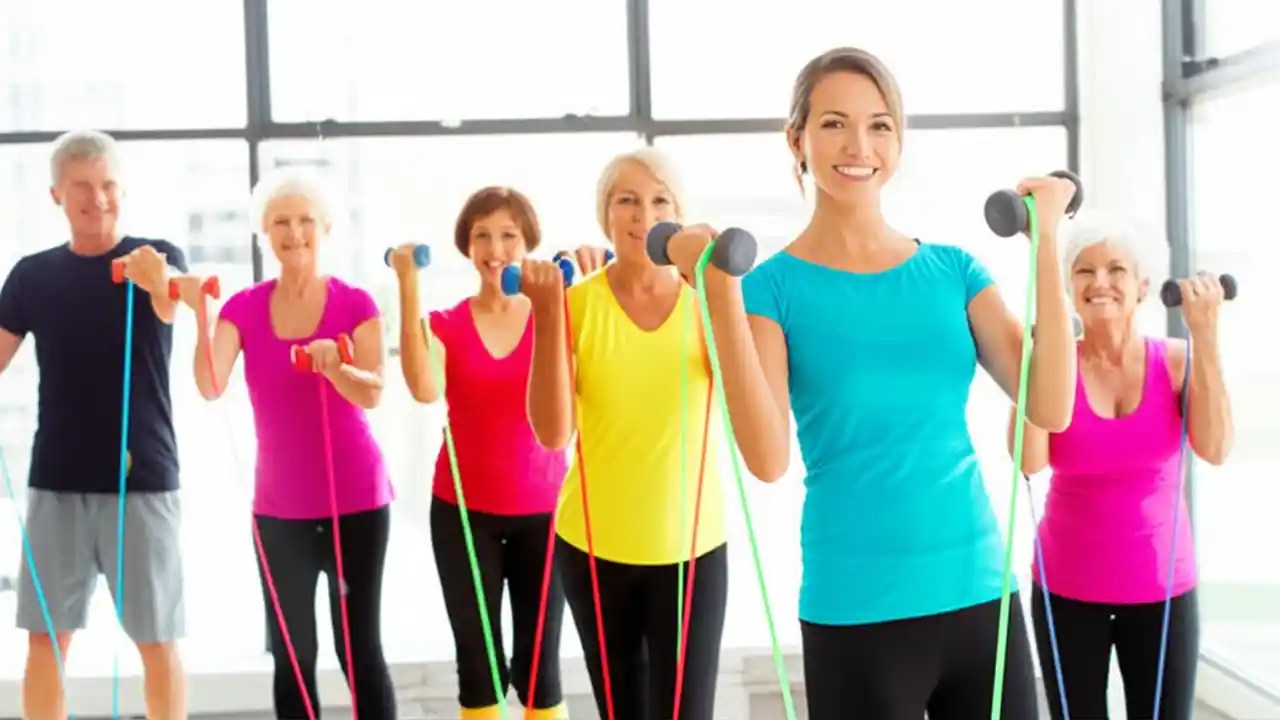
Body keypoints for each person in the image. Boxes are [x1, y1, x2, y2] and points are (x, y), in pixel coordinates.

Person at [665, 47, 1080, 718]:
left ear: (899, 140)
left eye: (880, 125)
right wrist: (719, 290)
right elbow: (768, 459)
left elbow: (1052, 407)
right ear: (796, 139)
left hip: (980, 596)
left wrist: (1049, 242)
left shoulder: (954, 272)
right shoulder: (770, 289)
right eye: (833, 124)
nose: (859, 145)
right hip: (857, 609)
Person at [176, 167, 397, 718]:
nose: (294, 232)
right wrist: (198, 314)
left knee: (357, 649)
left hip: (357, 503)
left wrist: (335, 367)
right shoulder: (243, 309)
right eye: (280, 221)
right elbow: (209, 384)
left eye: (305, 220)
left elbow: (372, 392)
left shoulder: (356, 304)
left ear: (325, 227)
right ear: (264, 232)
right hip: (279, 510)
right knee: (291, 655)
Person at [521, 148, 729, 720]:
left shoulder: (708, 304)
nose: (643, 215)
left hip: (692, 550)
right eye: (627, 201)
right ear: (605, 214)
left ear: (679, 217)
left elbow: (746, 405)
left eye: (660, 201)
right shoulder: (576, 304)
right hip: (594, 548)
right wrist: (546, 314)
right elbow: (552, 431)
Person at [1010, 212, 1233, 720]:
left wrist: (1207, 337)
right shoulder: (1056, 366)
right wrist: (1035, 362)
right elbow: (1028, 460)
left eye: (1116, 270)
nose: (1100, 282)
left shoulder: (1175, 362)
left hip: (1162, 589)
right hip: (1066, 587)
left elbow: (1216, 448)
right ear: (1068, 287)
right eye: (1084, 272)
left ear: (1143, 287)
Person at [0, 129, 189, 720]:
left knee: (157, 641)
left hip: (145, 479)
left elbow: (170, 304)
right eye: (82, 186)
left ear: (123, 187)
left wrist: (156, 281)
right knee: (46, 640)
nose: (98, 197)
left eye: (108, 184)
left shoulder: (157, 257)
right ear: (57, 193)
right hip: (56, 479)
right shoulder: (31, 275)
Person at [389, 186, 570, 720]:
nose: (496, 248)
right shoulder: (445, 323)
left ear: (528, 243)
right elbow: (424, 387)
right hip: (464, 516)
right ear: (467, 247)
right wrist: (407, 283)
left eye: (509, 235)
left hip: (547, 515)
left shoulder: (553, 316)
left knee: (540, 671)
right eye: (482, 236)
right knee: (480, 668)